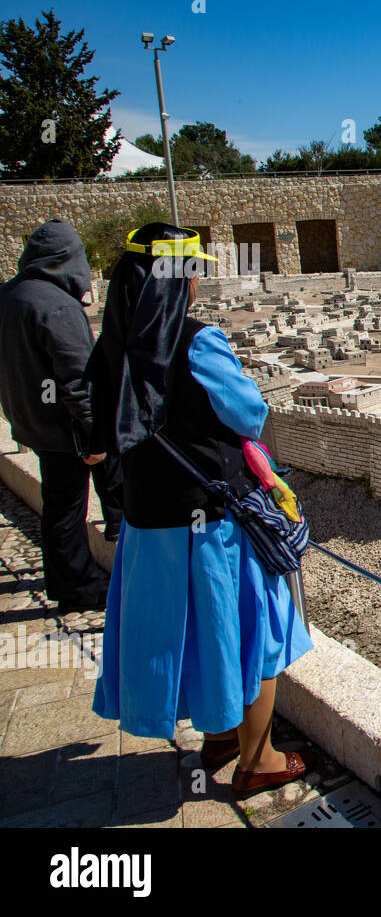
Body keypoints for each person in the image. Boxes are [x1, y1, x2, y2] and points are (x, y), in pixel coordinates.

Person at [88, 223, 314, 796]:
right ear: (180, 280)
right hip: (210, 526)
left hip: (147, 525)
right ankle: (258, 760)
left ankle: (218, 736)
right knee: (251, 635)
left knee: (188, 635)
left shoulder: (111, 346)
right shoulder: (196, 341)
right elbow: (249, 413)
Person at [0, 219, 124, 611]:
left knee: (60, 505)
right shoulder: (56, 305)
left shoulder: (9, 295)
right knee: (67, 509)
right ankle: (78, 588)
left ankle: (79, 570)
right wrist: (95, 434)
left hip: (30, 420)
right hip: (64, 428)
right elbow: (78, 380)